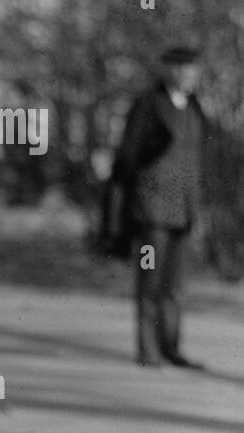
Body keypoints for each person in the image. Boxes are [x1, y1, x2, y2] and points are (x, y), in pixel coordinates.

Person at [107, 45, 209, 369]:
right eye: (185, 69)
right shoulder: (148, 104)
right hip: (152, 213)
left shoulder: (195, 107)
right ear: (171, 70)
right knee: (150, 280)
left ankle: (171, 348)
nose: (191, 75)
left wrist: (199, 210)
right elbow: (127, 157)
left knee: (175, 286)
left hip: (183, 212)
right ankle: (148, 349)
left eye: (194, 69)